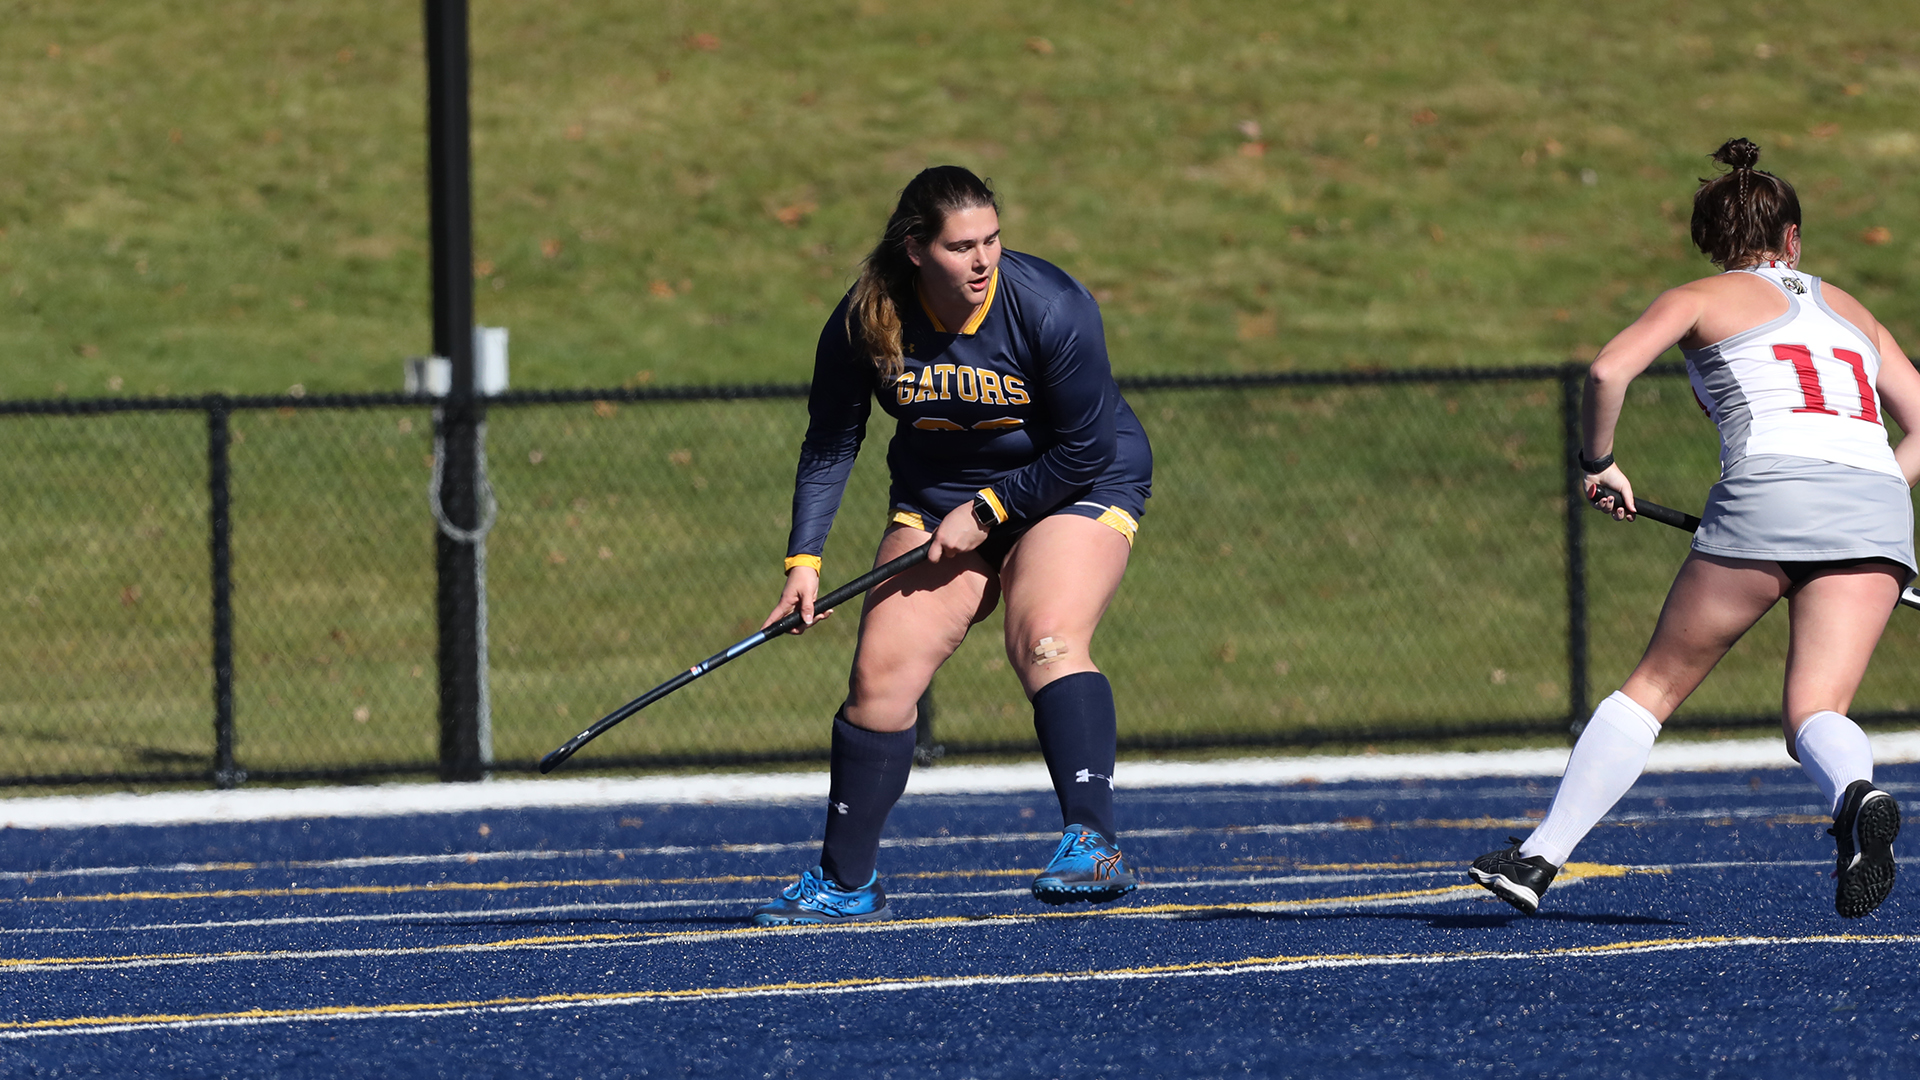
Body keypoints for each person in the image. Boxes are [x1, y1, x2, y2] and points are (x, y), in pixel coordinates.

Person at [1471, 138, 1920, 919]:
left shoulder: (1698, 299)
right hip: (1876, 504)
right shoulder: (1855, 312)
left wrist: (1599, 461)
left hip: (1768, 494)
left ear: (1708, 240)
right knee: (1817, 709)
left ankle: (1538, 858)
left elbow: (1608, 370)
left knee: (1653, 688)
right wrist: (1869, 484)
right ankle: (1854, 792)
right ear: (1792, 238)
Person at [749, 166, 1154, 926]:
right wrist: (803, 562)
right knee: (880, 676)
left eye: (992, 240)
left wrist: (994, 508)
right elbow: (832, 441)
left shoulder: (1051, 306)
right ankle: (845, 881)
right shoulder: (867, 320)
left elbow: (1088, 447)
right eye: (961, 246)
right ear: (915, 249)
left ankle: (1092, 842)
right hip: (940, 498)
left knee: (1046, 637)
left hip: (1074, 483)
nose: (983, 260)